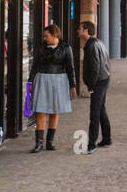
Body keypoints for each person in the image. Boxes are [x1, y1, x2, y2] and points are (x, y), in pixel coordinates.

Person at [27, 24, 76, 152]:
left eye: (47, 36)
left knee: (55, 111)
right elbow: (34, 66)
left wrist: (73, 85)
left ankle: (50, 142)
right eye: (44, 36)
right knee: (41, 111)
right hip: (42, 79)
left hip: (59, 80)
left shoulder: (66, 48)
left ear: (55, 35)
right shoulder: (40, 48)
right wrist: (30, 82)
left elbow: (70, 68)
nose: (45, 38)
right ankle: (39, 143)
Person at [78, 20, 112, 152]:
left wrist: (91, 85)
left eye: (80, 28)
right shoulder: (99, 42)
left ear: (86, 30)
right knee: (101, 109)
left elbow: (95, 66)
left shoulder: (91, 45)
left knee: (95, 113)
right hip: (104, 79)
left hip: (99, 82)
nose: (78, 30)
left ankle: (91, 144)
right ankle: (107, 138)